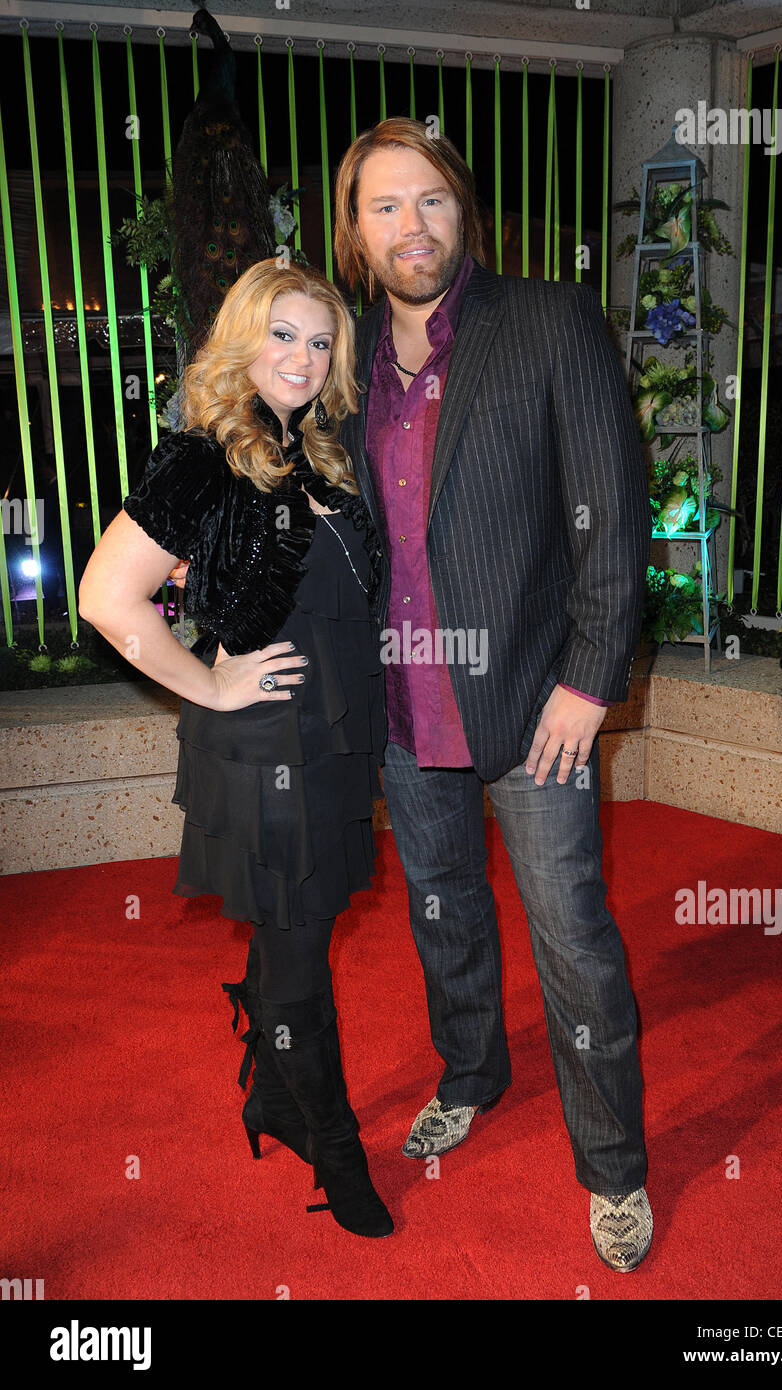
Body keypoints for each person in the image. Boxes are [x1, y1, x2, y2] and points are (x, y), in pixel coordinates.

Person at [332, 118, 653, 1271]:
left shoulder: (548, 322)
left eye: (428, 201)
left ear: (462, 212)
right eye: (383, 206)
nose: (408, 225)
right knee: (441, 913)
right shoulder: (343, 357)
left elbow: (614, 517)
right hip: (403, 712)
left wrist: (587, 681)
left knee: (574, 940)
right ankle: (471, 1072)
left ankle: (613, 1166)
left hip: (531, 705)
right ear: (356, 230)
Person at [78, 259, 393, 1239]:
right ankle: (334, 1141)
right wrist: (211, 680)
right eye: (282, 334)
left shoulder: (321, 452)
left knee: (294, 923)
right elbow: (105, 596)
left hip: (331, 733)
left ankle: (270, 1094)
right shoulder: (204, 458)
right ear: (242, 339)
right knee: (300, 947)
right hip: (265, 739)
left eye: (319, 339)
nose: (302, 356)